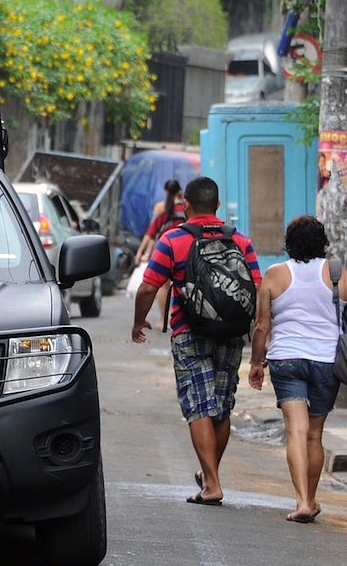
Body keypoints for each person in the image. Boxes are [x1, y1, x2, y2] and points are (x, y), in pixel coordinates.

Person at [130, 176, 261, 507]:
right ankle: (210, 476)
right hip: (231, 333)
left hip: (189, 331)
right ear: (217, 205)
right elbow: (257, 287)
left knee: (198, 406)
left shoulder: (173, 239)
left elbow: (148, 287)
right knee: (221, 404)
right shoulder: (240, 240)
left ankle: (212, 483)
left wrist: (138, 321)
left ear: (184, 205)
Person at [248, 215, 345, 523]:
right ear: (323, 242)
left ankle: (302, 500)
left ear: (288, 244)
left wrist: (255, 363)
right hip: (326, 360)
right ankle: (312, 500)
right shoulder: (338, 274)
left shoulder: (274, 274)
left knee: (295, 431)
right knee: (314, 435)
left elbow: (262, 326)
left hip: (286, 359)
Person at [135, 180, 185, 330]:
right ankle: (180, 317)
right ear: (180, 192)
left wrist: (140, 252)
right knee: (184, 284)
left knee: (163, 287)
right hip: (184, 250)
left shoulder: (163, 211)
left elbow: (150, 234)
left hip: (165, 250)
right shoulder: (186, 209)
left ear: (166, 192)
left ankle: (164, 319)